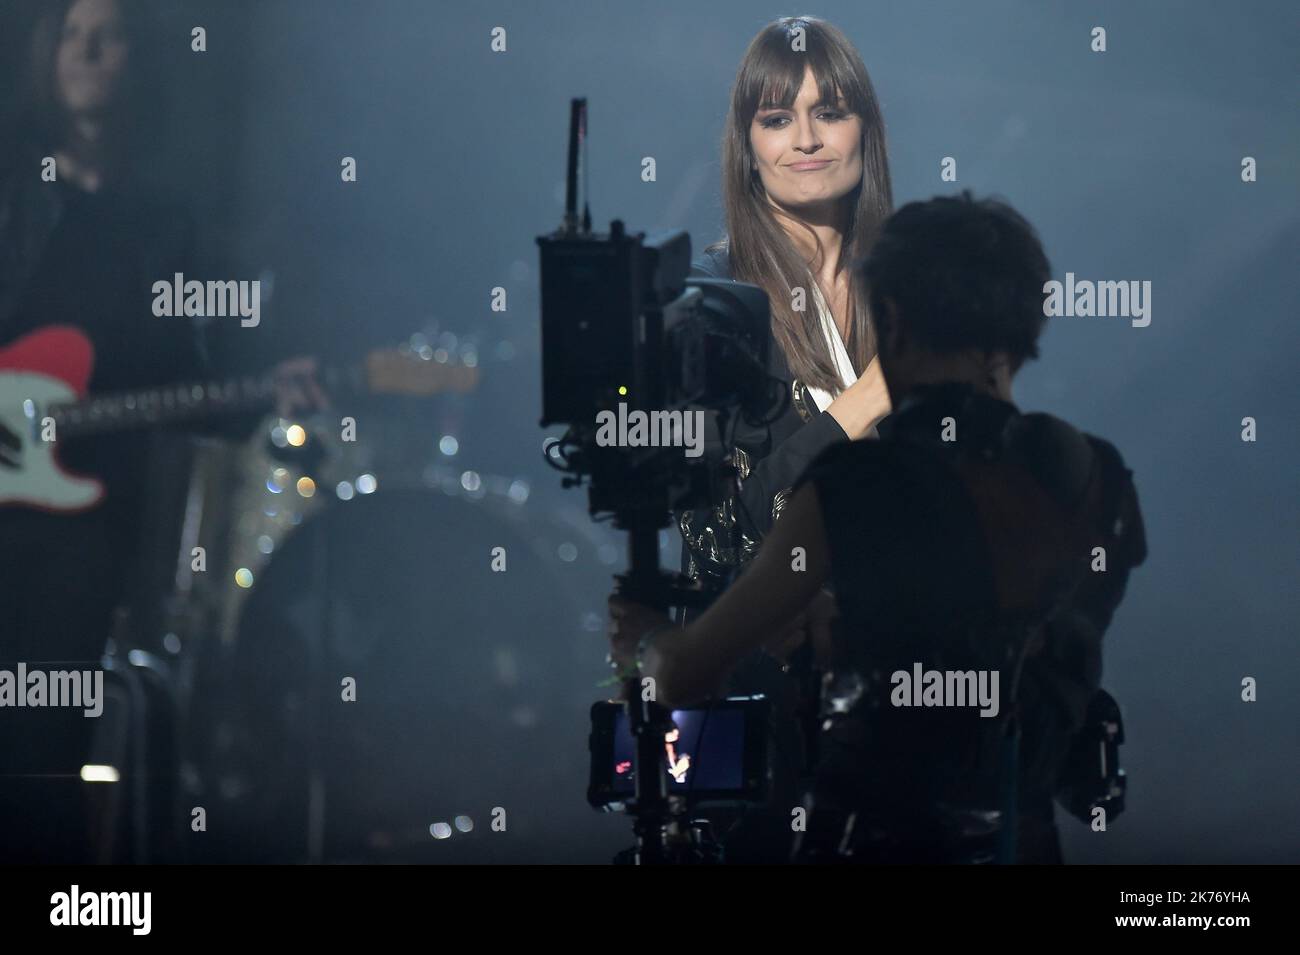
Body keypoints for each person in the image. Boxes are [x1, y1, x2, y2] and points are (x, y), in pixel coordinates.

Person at [613, 192, 1148, 863]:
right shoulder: (1102, 483)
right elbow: (1002, 637)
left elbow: (686, 674)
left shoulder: (858, 485)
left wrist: (650, 642)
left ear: (891, 321)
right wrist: (839, 626)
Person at [0, 0, 322, 863]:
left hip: (84, 519)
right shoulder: (11, 191)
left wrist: (262, 391)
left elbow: (184, 377)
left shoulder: (161, 221)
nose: (92, 51)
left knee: (45, 737)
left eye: (111, 37)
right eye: (74, 34)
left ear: (138, 64)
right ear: (48, 55)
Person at [675, 15, 895, 862]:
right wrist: (863, 405)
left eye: (828, 111)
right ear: (747, 142)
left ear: (865, 130)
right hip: (758, 707)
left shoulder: (908, 291)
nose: (805, 139)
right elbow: (719, 529)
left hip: (896, 701)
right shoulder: (711, 305)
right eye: (776, 117)